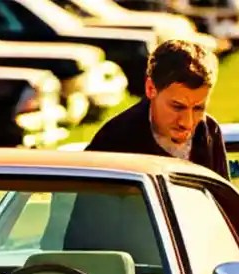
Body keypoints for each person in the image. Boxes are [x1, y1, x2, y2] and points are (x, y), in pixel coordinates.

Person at [84, 39, 230, 179]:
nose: (187, 123)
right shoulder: (114, 139)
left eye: (198, 108)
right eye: (177, 107)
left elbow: (223, 201)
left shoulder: (209, 130)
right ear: (150, 88)